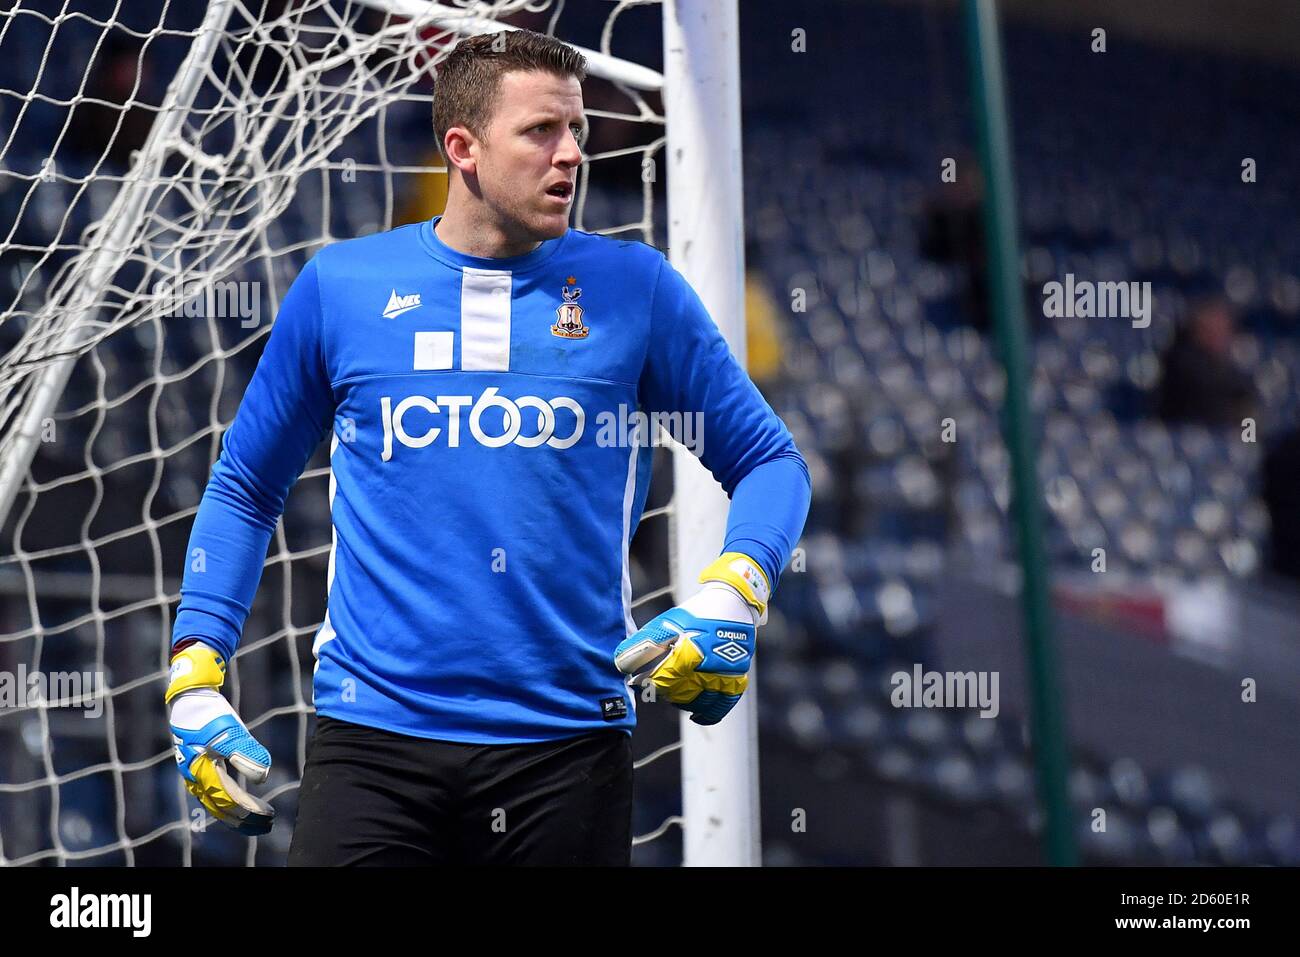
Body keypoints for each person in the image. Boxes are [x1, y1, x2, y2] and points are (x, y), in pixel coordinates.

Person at [163, 29, 810, 866]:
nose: (572, 153)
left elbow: (771, 462)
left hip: (566, 748)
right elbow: (248, 484)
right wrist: (194, 671)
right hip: (370, 742)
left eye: (575, 129)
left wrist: (735, 593)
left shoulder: (635, 290)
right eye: (542, 131)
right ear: (461, 148)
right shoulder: (341, 287)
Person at [1155, 296, 1255, 427]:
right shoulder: (1182, 362)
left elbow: (1245, 399)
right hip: (1187, 431)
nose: (1221, 336)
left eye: (1224, 330)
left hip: (1222, 436)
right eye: (1212, 330)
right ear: (1198, 331)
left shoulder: (1229, 369)